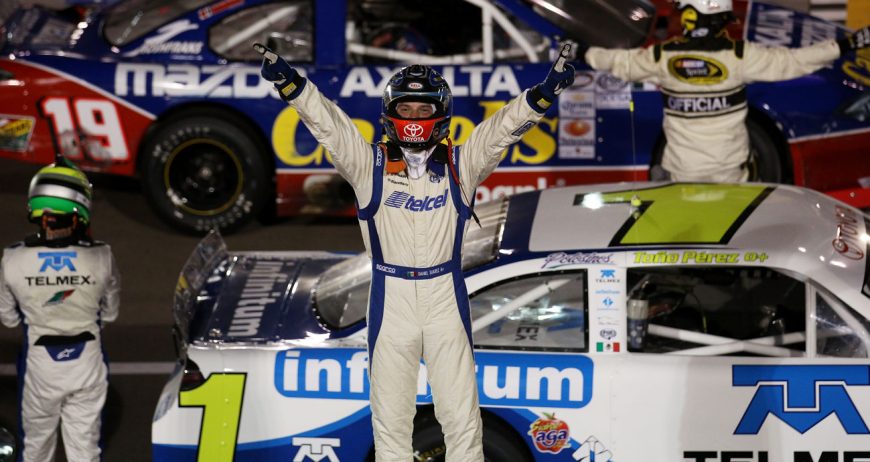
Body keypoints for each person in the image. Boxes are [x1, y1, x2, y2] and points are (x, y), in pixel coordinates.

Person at [259, 45, 574, 460]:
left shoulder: (465, 162)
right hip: (391, 300)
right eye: (404, 108)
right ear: (390, 112)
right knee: (390, 424)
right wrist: (291, 83)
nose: (412, 118)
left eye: (421, 109)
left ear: (440, 112)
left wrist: (546, 92)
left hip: (446, 296)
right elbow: (329, 125)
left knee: (462, 420)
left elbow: (501, 128)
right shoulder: (366, 164)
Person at [582, 0, 870, 182]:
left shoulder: (662, 57)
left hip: (681, 176)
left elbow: (617, 62)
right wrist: (845, 45)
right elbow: (795, 62)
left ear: (690, 18)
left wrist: (583, 52)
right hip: (731, 176)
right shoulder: (740, 56)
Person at [0, 154, 120, 462]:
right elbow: (110, 314)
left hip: (40, 368)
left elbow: (9, 319)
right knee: (85, 449)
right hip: (87, 362)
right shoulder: (103, 257)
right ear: (80, 209)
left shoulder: (11, 260)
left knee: (37, 449)